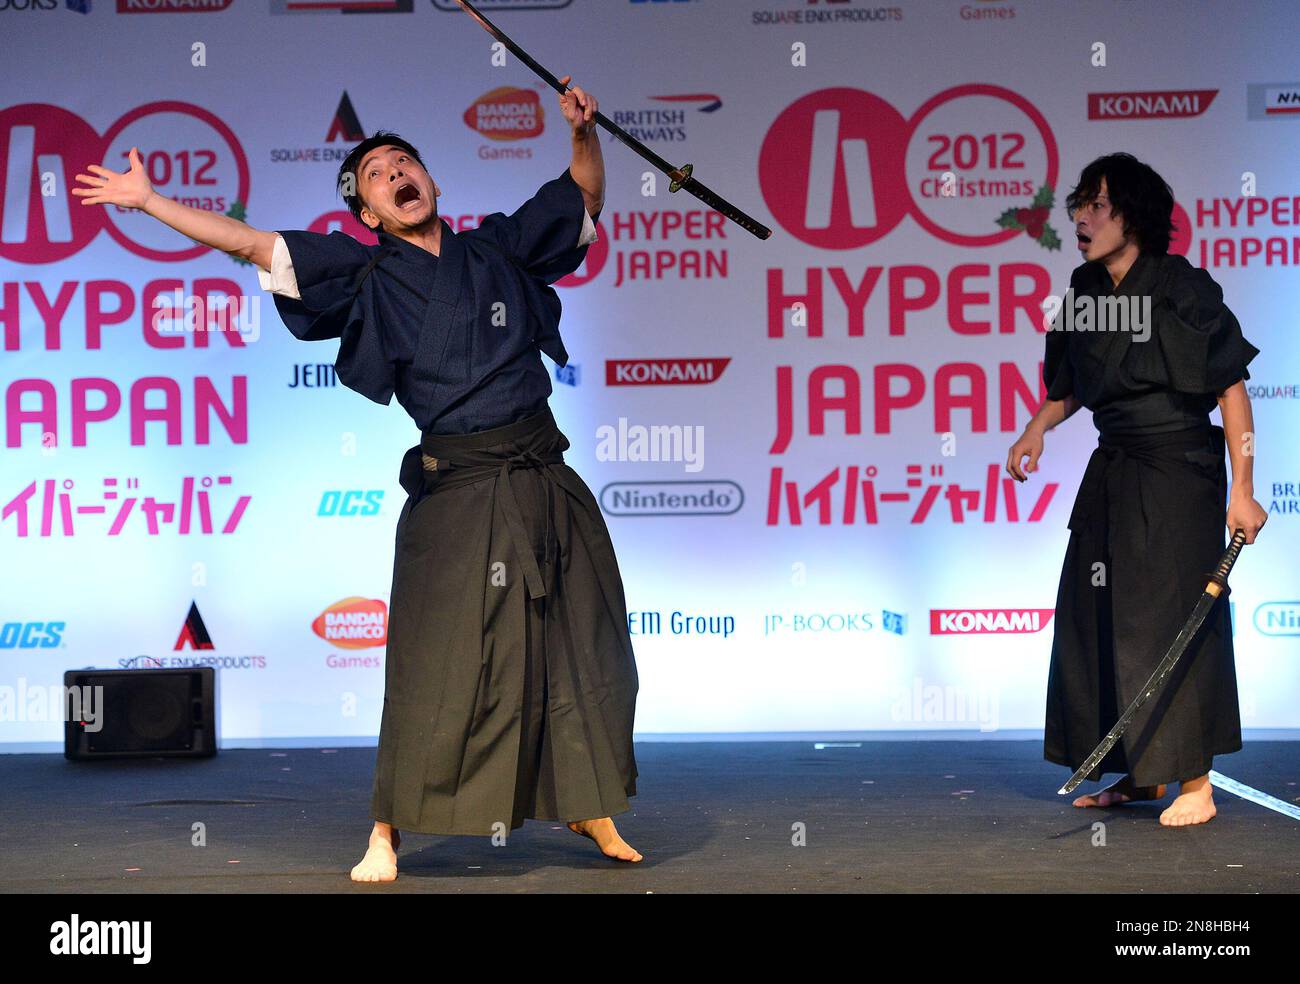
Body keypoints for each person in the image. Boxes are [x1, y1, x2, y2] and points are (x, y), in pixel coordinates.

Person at [74, 77, 641, 878]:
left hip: (543, 475)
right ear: (368, 215)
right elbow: (250, 244)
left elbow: (581, 198)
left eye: (405, 162)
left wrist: (584, 133)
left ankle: (587, 802)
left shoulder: (498, 248)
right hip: (458, 490)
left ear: (433, 181)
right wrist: (151, 200)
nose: (397, 173)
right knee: (435, 662)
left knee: (582, 644)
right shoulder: (363, 276)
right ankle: (387, 828)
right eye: (378, 174)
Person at [1006, 153, 1266, 827]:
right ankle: (1136, 772)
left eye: (1099, 206)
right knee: (1099, 619)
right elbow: (1067, 390)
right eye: (1080, 206)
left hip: (1179, 471)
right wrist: (1036, 429)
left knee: (1172, 618)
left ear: (1135, 216)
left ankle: (1194, 781)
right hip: (1114, 469)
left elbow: (1229, 389)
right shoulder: (1083, 292)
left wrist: (1244, 488)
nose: (1082, 220)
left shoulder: (1181, 286)